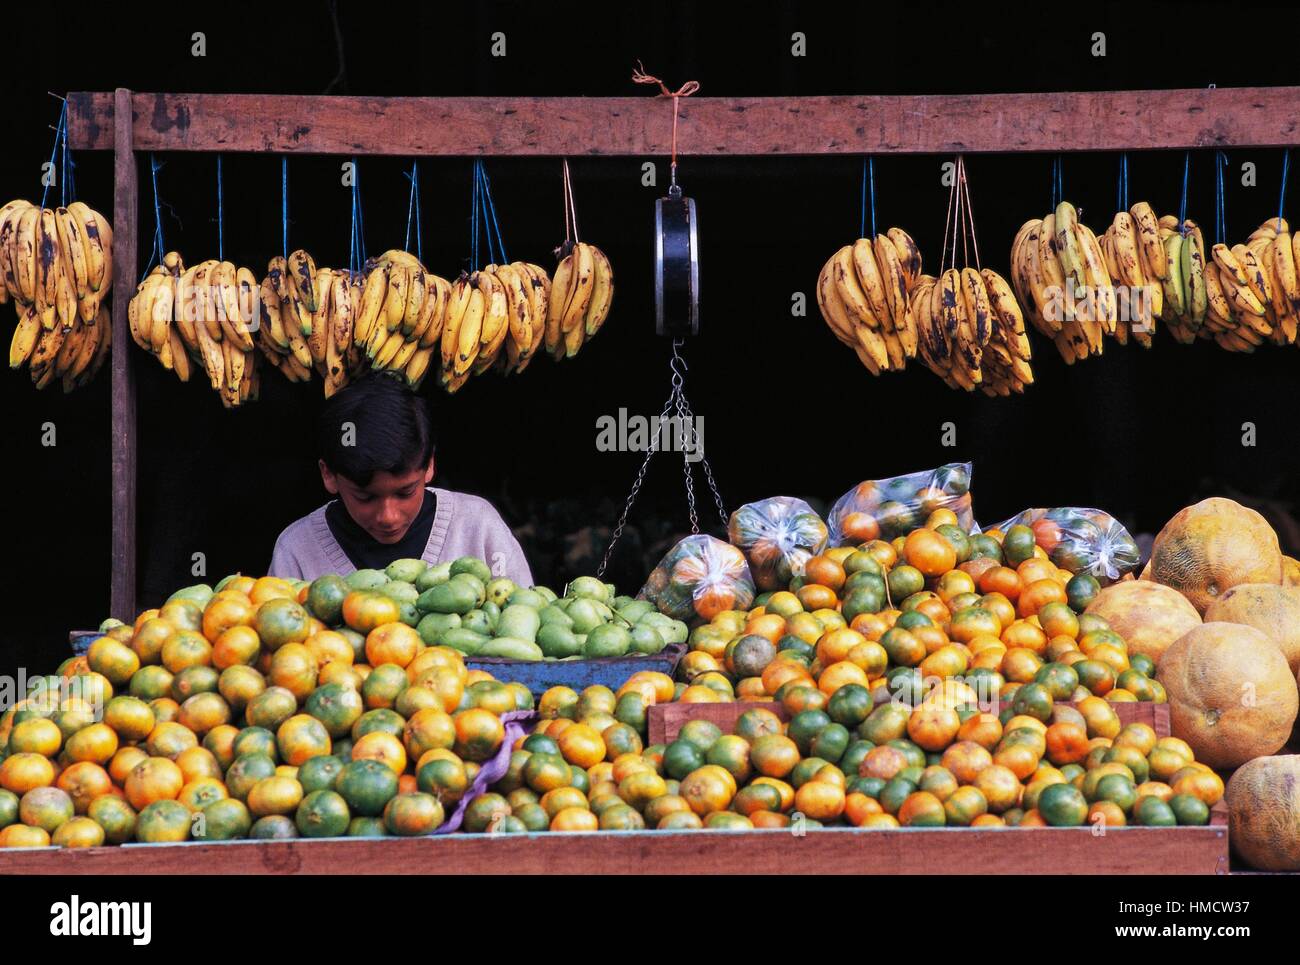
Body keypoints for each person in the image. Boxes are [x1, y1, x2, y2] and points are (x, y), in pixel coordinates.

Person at [269, 372, 532, 584]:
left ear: (429, 465)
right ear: (329, 475)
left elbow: (525, 623)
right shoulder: (297, 551)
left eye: (405, 493)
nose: (388, 516)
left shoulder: (477, 527)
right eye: (365, 497)